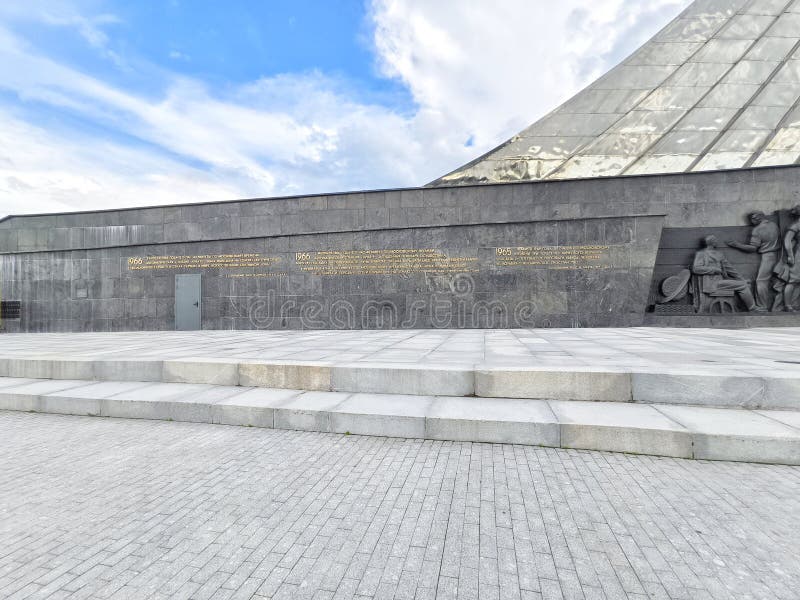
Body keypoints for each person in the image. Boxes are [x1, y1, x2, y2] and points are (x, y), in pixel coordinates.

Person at [692, 235, 763, 312]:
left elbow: (730, 269)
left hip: (719, 281)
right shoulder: (701, 254)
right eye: (715, 240)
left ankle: (744, 307)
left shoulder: (719, 254)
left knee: (744, 283)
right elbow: (696, 269)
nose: (717, 242)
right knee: (743, 285)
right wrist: (713, 269)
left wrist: (742, 279)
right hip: (711, 283)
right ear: (711, 242)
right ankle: (752, 308)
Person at [726, 211, 779, 310]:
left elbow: (753, 248)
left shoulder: (757, 230)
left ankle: (762, 307)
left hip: (768, 257)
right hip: (777, 255)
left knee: (761, 281)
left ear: (758, 218)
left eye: (752, 219)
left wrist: (737, 245)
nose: (751, 221)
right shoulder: (773, 224)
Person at [779, 205, 800, 312]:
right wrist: (790, 255)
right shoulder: (796, 225)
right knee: (793, 280)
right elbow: (787, 240)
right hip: (798, 256)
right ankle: (788, 305)